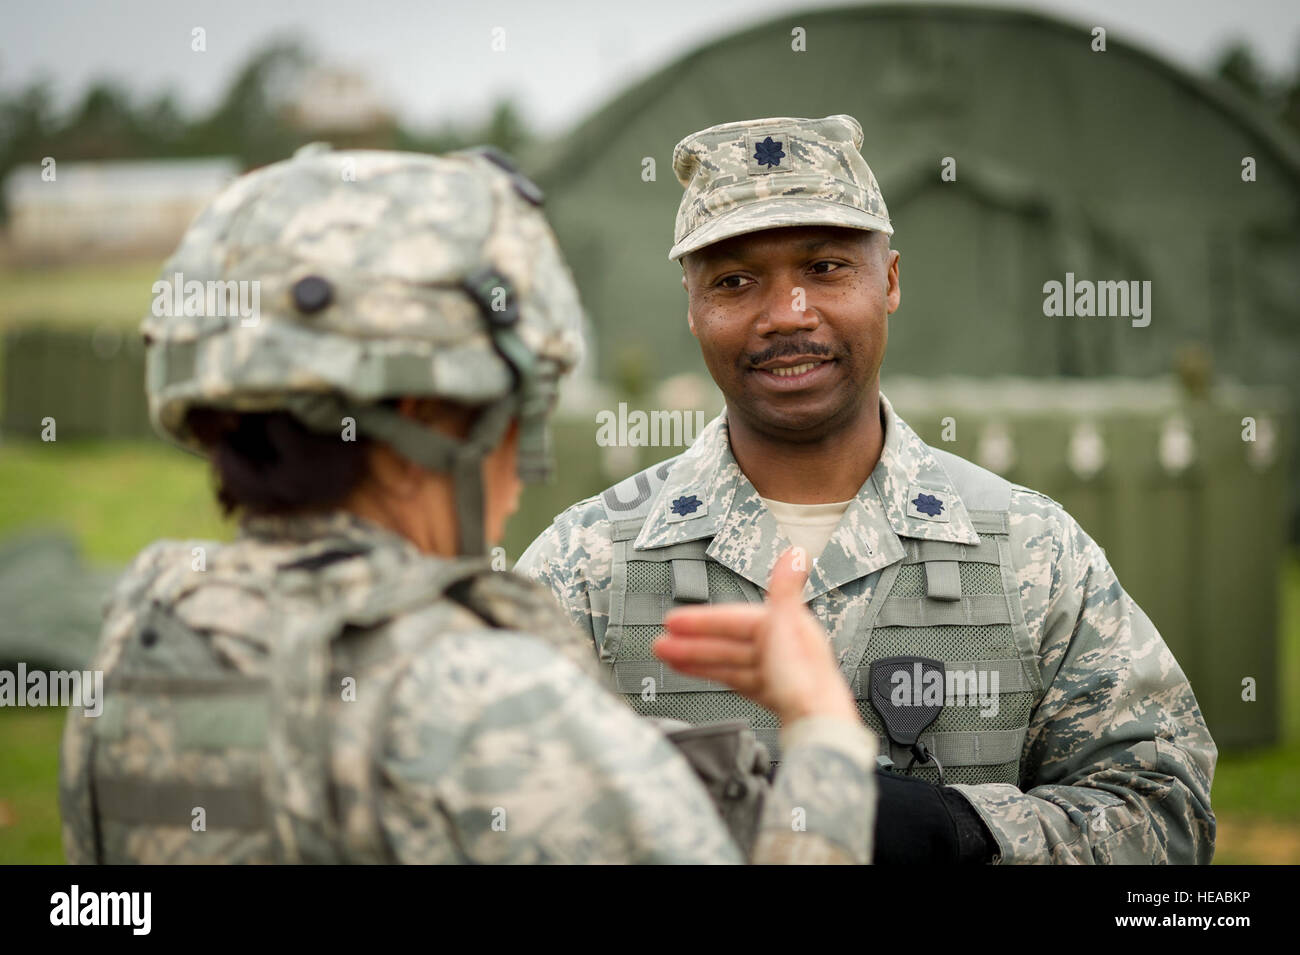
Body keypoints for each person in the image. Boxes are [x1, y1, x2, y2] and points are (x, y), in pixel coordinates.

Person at [58, 144, 879, 864]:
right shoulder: (493, 702)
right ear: (427, 420)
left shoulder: (147, 636)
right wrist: (822, 736)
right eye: (514, 420)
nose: (518, 473)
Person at [516, 115, 1217, 865]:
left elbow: (1164, 812)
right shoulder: (584, 569)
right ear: (692, 307)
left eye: (825, 268)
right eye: (734, 281)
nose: (788, 314)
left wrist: (960, 831)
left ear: (889, 281)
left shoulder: (1031, 553)